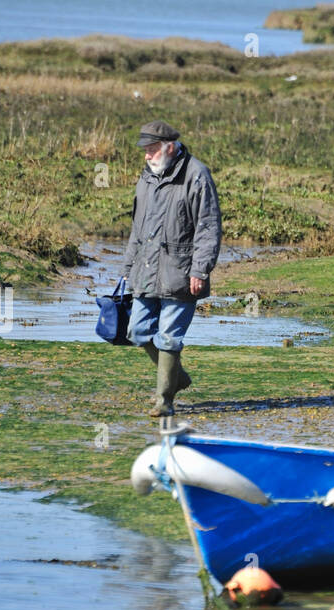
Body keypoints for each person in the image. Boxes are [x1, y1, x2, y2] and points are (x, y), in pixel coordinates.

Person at [119, 120, 222, 416]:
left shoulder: (197, 175)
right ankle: (177, 376)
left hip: (181, 272)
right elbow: (137, 227)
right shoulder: (147, 177)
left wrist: (200, 270)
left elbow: (208, 227)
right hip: (145, 268)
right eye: (145, 151)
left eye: (151, 150)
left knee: (168, 336)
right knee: (137, 331)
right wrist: (128, 265)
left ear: (169, 146)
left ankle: (163, 400)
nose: (147, 156)